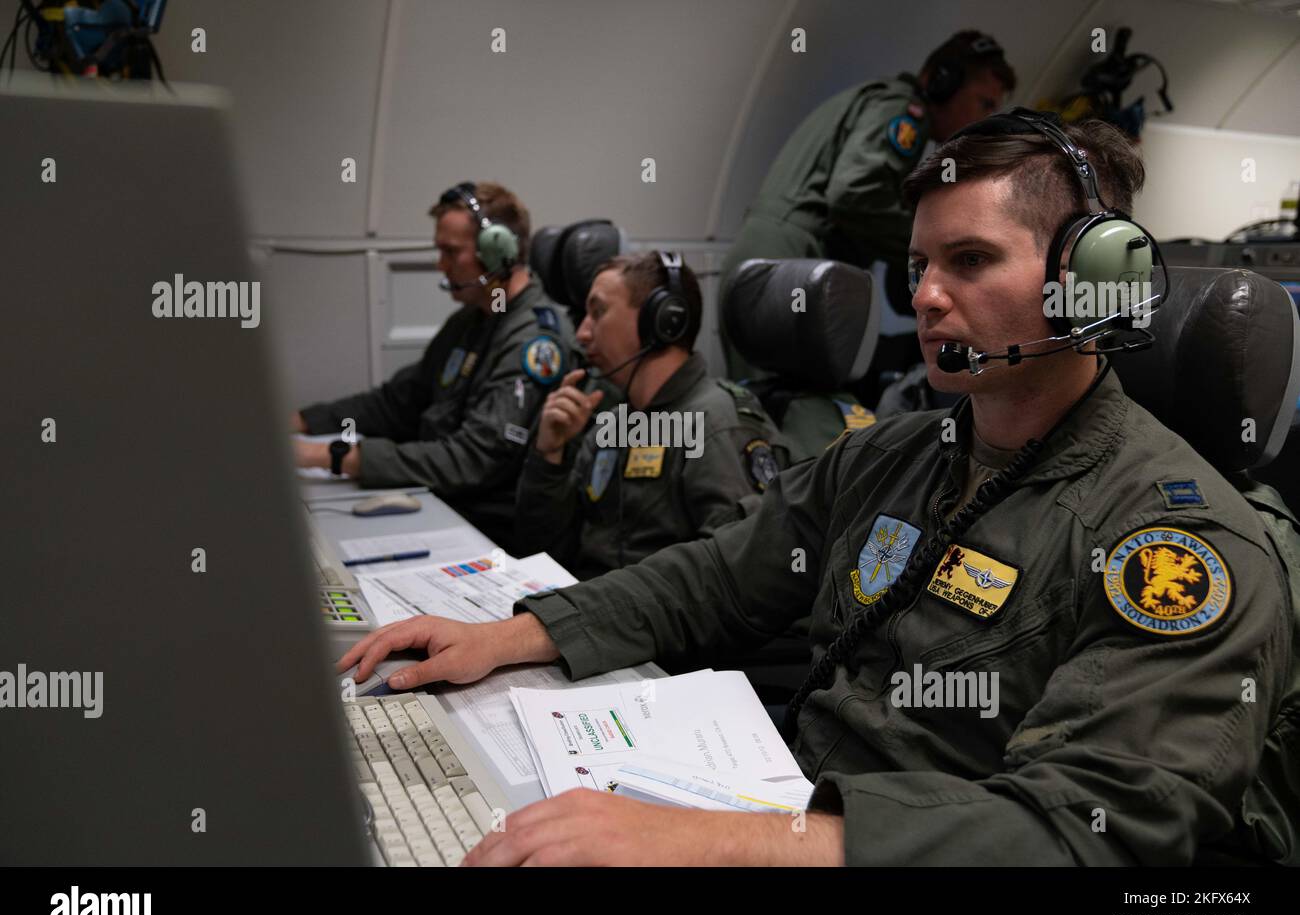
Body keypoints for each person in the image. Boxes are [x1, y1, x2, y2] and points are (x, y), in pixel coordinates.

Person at [339, 116, 1289, 866]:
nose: (921, 297)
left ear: (1092, 282)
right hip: (795, 817)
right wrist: (513, 633)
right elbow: (714, 575)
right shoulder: (892, 455)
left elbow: (1078, 829)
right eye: (919, 265)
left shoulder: (1178, 547)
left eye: (969, 261)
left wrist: (713, 845)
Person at [718, 30, 1016, 390]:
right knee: (780, 406)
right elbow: (854, 194)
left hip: (770, 258)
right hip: (792, 264)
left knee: (764, 399)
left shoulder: (875, 100)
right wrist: (929, 250)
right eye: (984, 104)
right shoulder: (902, 111)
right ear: (943, 84)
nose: (984, 119)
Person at [291, 182, 574, 549]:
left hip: (489, 534)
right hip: (443, 508)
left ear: (498, 253)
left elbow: (472, 460)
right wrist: (298, 423)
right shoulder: (472, 321)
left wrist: (332, 455)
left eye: (451, 252)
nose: (440, 265)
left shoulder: (535, 341)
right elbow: (398, 402)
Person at [516, 251, 790, 580]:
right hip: (591, 605)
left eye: (598, 312)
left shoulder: (716, 425)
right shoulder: (615, 421)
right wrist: (550, 456)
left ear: (660, 320)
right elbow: (544, 550)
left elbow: (741, 576)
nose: (582, 334)